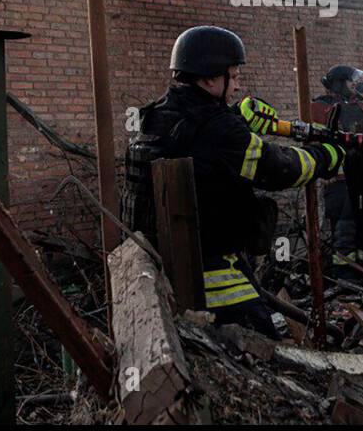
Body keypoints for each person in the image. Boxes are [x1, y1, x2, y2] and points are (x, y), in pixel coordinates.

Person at [128, 26, 344, 336]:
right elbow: (278, 169)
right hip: (210, 275)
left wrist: (239, 118)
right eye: (235, 76)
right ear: (210, 78)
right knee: (263, 348)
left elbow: (205, 151)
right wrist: (326, 157)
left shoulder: (158, 114)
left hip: (163, 267)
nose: (238, 87)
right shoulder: (218, 129)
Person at [310, 64, 363, 280]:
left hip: (361, 177)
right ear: (340, 83)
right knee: (346, 229)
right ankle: (344, 277)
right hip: (337, 182)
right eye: (350, 81)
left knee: (362, 229)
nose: (354, 85)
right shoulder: (320, 108)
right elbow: (317, 141)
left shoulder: (359, 106)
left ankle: (362, 273)